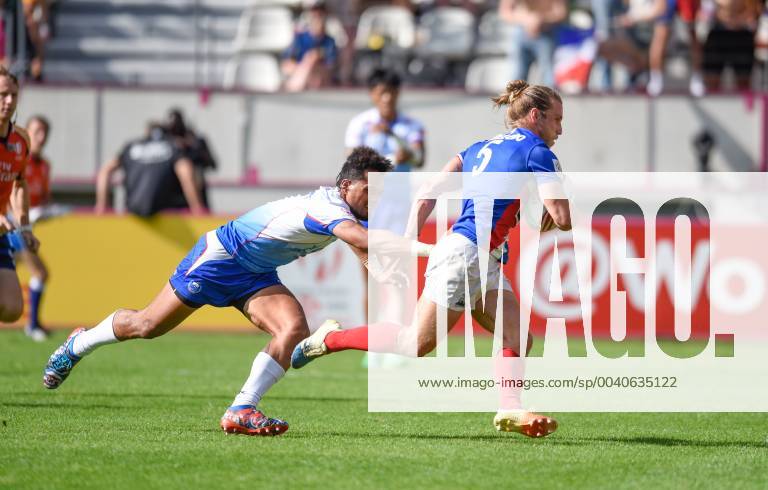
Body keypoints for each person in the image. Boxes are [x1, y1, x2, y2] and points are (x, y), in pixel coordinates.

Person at [42, 147, 430, 436]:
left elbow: (357, 242)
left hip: (255, 272)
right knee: (146, 325)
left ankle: (242, 409)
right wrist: (419, 247)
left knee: (293, 328)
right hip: (221, 258)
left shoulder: (340, 210)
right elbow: (356, 236)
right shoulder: (329, 208)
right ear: (346, 185)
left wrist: (374, 263)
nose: (374, 199)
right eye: (369, 190)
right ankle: (79, 343)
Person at [292, 80, 571, 438]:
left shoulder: (476, 148)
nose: (560, 130)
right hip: (466, 256)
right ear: (536, 116)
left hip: (479, 256)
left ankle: (510, 409)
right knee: (415, 343)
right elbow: (560, 219)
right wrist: (556, 197)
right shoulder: (538, 152)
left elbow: (426, 193)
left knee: (517, 335)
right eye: (557, 120)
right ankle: (331, 339)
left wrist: (408, 241)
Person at [345, 68, 425, 366]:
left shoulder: (410, 126)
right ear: (373, 95)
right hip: (369, 212)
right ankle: (372, 346)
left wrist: (393, 138)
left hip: (399, 211)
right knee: (369, 278)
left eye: (392, 92)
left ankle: (398, 345)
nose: (388, 98)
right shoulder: (360, 124)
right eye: (382, 93)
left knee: (399, 278)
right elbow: (352, 162)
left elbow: (419, 157)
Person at [95, 122, 206, 217]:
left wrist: (101, 206)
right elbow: (186, 173)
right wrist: (197, 208)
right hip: (165, 217)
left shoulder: (131, 146)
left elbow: (104, 171)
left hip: (133, 214)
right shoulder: (173, 146)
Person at [0, 66, 41, 325]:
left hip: (2, 229)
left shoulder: (21, 140)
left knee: (13, 307)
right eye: (3, 94)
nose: (9, 101)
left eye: (13, 95)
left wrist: (24, 226)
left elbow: (19, 183)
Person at [13, 115, 51, 340]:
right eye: (37, 131)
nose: (41, 137)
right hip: (13, 225)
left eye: (45, 133)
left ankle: (34, 324)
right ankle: (33, 325)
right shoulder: (17, 159)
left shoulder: (44, 166)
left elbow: (43, 198)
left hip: (26, 227)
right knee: (40, 272)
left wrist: (44, 212)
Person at [498, 0, 568, 87]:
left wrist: (540, 19)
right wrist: (526, 19)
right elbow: (505, 12)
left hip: (545, 33)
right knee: (517, 75)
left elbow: (560, 12)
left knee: (548, 77)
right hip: (521, 32)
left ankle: (549, 100)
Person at [702, 0, 762, 92]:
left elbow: (755, 12)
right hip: (717, 36)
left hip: (742, 38)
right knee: (711, 84)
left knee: (743, 84)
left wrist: (733, 18)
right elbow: (706, 13)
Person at [165, 108, 217, 210]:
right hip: (172, 199)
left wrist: (193, 146)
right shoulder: (166, 145)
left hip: (197, 195)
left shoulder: (196, 141)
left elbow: (213, 164)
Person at [282, 0, 338, 92]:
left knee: (316, 75)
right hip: (302, 79)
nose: (317, 16)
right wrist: (307, 64)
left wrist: (313, 62)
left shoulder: (330, 42)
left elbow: (330, 70)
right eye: (314, 12)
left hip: (319, 81)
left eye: (321, 12)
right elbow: (286, 66)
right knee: (310, 60)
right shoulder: (299, 39)